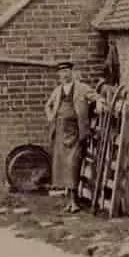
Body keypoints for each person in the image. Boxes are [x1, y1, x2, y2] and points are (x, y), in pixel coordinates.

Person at [44, 62, 95, 213]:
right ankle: (69, 201)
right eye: (61, 73)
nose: (64, 75)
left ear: (72, 73)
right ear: (59, 75)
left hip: (75, 132)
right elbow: (48, 105)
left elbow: (95, 96)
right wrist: (50, 116)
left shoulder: (81, 88)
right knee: (62, 166)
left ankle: (74, 201)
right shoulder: (57, 90)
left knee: (73, 165)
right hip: (60, 131)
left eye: (66, 72)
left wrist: (99, 102)